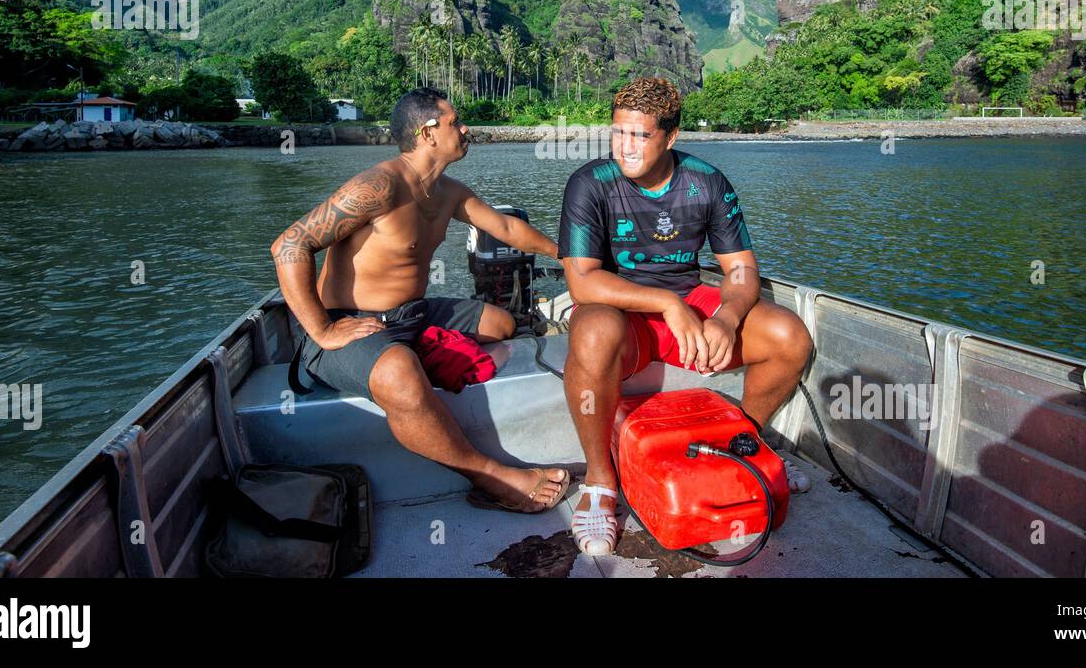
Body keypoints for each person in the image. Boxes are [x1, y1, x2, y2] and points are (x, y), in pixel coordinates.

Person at [271, 86, 571, 513]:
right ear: (428, 132)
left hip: (408, 313)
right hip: (348, 321)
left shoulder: (448, 191)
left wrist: (570, 257)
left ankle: (409, 349)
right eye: (455, 122)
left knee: (501, 324)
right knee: (398, 372)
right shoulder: (378, 186)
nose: (465, 129)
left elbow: (505, 229)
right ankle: (492, 476)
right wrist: (322, 329)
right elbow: (289, 245)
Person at [557, 77, 813, 555]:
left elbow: (740, 269)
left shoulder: (707, 181)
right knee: (591, 329)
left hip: (691, 303)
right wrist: (667, 305)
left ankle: (744, 443)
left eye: (640, 136)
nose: (624, 147)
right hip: (623, 314)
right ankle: (599, 481)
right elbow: (583, 282)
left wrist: (727, 317)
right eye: (617, 133)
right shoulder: (590, 184)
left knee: (788, 335)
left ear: (670, 137)